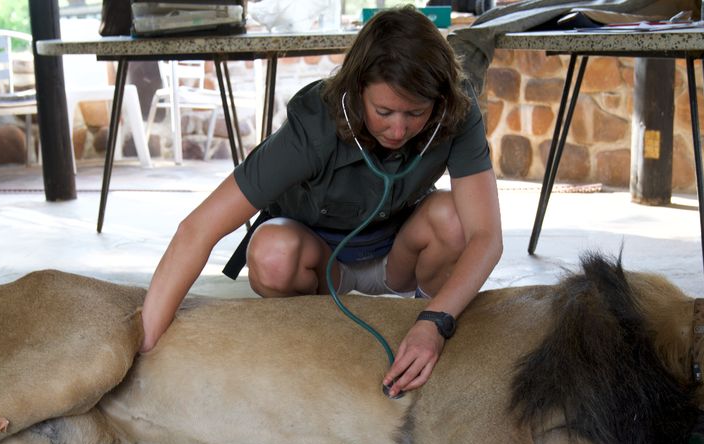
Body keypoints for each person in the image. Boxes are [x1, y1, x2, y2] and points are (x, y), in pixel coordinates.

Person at [140, 5, 503, 398]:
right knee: (271, 251)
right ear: (357, 89)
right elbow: (197, 229)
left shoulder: (457, 107)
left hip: (402, 257)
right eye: (384, 111)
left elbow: (487, 237)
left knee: (453, 219)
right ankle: (320, 332)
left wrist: (435, 322)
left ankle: (420, 329)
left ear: (439, 100)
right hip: (323, 265)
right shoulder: (314, 123)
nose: (398, 129)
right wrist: (145, 348)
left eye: (415, 113)